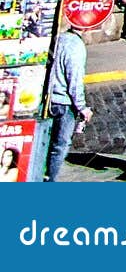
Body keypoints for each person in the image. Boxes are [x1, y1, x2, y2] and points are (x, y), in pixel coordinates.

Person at [44, 18, 91, 182]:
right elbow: (75, 80)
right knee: (60, 145)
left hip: (49, 98)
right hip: (64, 103)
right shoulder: (77, 47)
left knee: (46, 142)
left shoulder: (59, 38)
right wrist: (82, 107)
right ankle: (50, 180)